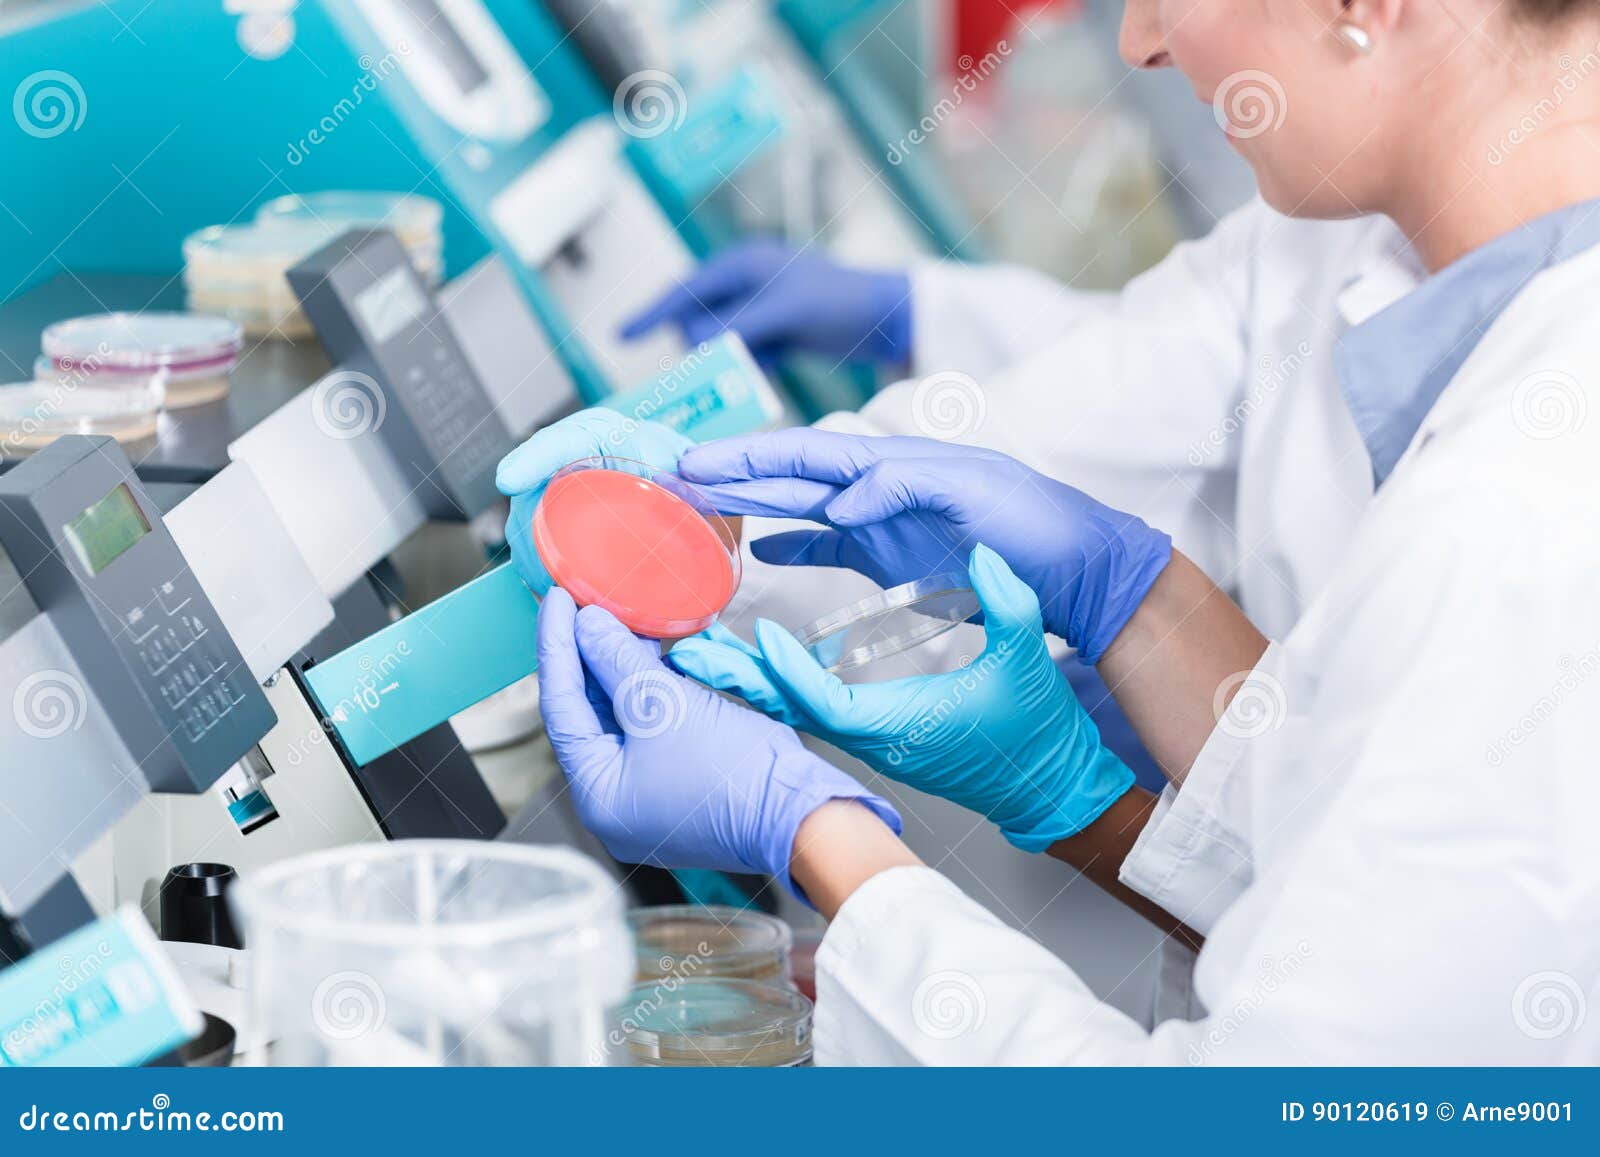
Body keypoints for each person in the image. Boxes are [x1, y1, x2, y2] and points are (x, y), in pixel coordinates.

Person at [503, 0, 1600, 1062]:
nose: (1139, 40)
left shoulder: (1524, 506)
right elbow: (1361, 897)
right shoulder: (1379, 264)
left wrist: (821, 835)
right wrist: (1137, 601)